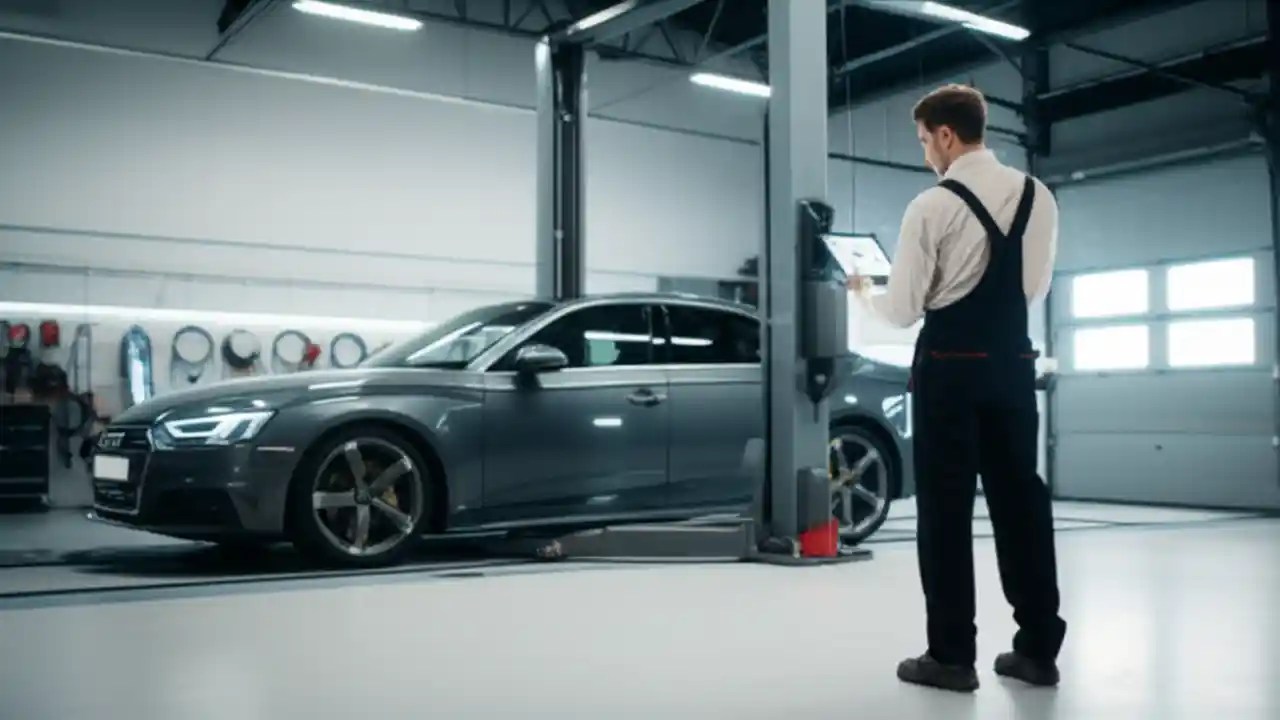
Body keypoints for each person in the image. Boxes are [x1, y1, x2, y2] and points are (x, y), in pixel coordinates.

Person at [847, 84, 1066, 692]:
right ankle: (1038, 650)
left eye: (924, 141)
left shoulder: (931, 205)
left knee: (945, 511)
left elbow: (906, 307)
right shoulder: (1038, 196)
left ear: (946, 135)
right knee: (1021, 505)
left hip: (950, 368)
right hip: (1011, 366)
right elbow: (1034, 286)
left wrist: (867, 295)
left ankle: (950, 657)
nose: (924, 155)